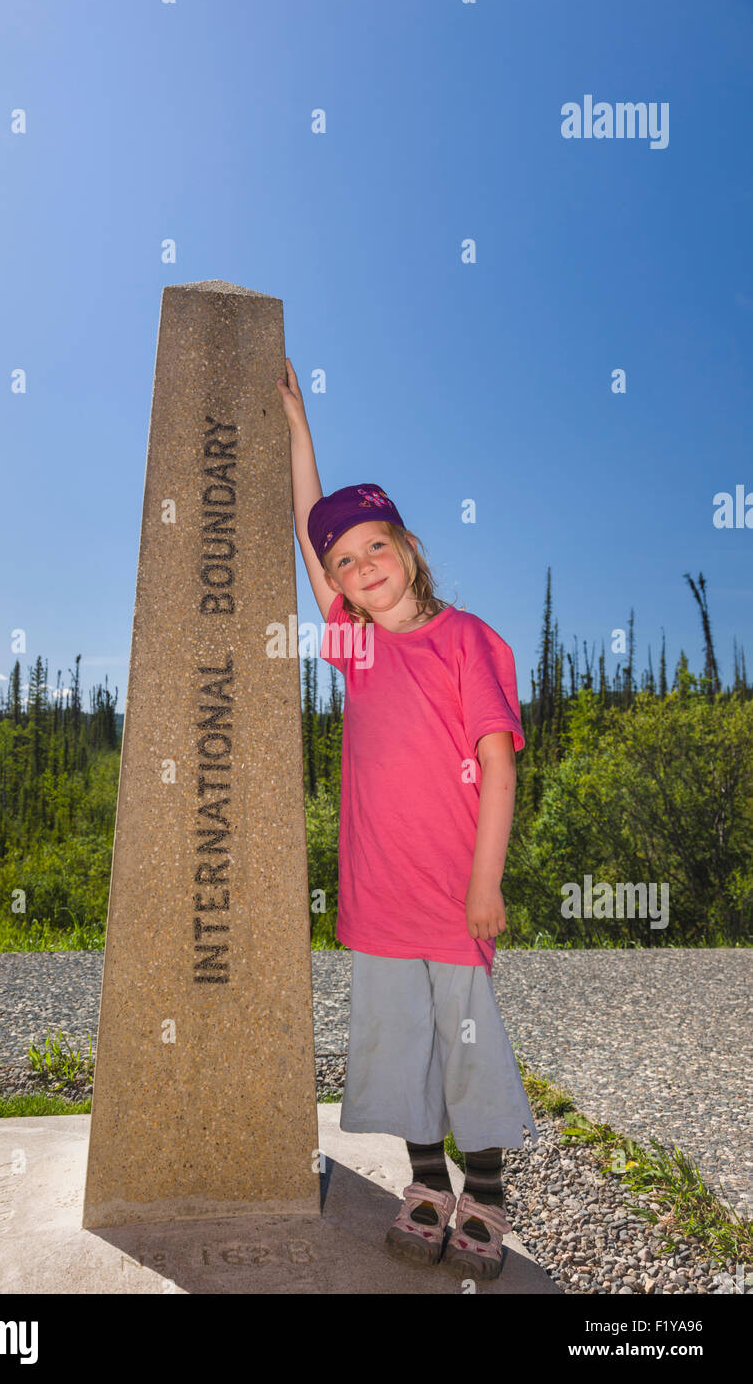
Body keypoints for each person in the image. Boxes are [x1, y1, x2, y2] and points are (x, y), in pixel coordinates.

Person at [276, 357, 539, 1281]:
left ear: (411, 548)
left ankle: (488, 1193)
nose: (359, 567)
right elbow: (311, 542)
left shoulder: (468, 640)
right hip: (379, 897)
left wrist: (483, 885)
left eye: (374, 547)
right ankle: (424, 1185)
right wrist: (298, 433)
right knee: (400, 1050)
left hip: (451, 898)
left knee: (468, 1051)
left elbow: (498, 772)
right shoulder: (355, 650)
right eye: (345, 563)